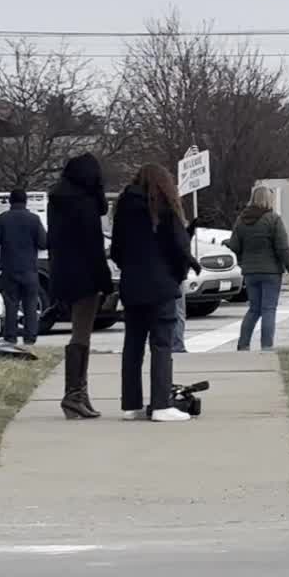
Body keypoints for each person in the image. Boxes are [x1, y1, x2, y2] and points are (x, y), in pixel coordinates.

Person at [110, 164, 199, 422]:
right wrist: (179, 274)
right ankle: (161, 404)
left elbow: (116, 250)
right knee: (161, 345)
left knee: (133, 345)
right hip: (161, 285)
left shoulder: (124, 209)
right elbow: (178, 248)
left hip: (132, 285)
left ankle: (131, 405)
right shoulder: (165, 209)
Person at [48, 153, 113, 420]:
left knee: (79, 332)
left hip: (64, 272)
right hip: (86, 275)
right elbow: (93, 246)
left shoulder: (58, 200)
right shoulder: (84, 203)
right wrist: (104, 279)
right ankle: (75, 394)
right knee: (81, 333)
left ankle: (77, 393)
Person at [228, 186, 289, 351]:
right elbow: (282, 248)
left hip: (250, 272)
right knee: (268, 309)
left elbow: (234, 246)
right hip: (271, 272)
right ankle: (266, 346)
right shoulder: (273, 219)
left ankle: (243, 344)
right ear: (268, 199)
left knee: (254, 309)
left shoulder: (241, 220)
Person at [0, 188, 47, 347]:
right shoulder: (34, 219)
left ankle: (10, 338)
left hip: (9, 270)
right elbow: (43, 244)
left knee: (11, 303)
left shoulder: (2, 219)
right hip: (30, 270)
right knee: (30, 305)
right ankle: (30, 338)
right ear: (26, 201)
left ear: (10, 201)